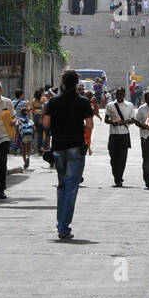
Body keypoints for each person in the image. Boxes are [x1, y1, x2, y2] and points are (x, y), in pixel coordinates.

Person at [43, 69, 94, 240]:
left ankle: (61, 224)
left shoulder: (53, 102)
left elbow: (46, 123)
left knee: (62, 186)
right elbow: (90, 125)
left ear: (63, 83)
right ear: (77, 84)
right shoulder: (83, 102)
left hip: (58, 148)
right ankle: (63, 226)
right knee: (72, 187)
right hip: (76, 148)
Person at [104, 88, 135, 186]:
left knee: (122, 158)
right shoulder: (110, 105)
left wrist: (123, 122)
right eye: (117, 94)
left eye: (121, 94)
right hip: (113, 135)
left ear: (124, 95)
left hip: (124, 134)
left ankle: (119, 178)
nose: (119, 95)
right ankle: (116, 175)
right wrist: (112, 122)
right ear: (115, 95)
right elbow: (106, 119)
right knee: (113, 157)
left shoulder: (129, 105)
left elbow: (133, 120)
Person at [133, 91, 149, 188]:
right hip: (145, 137)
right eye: (147, 98)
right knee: (147, 159)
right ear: (144, 99)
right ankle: (147, 180)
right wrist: (143, 126)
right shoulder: (141, 108)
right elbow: (136, 121)